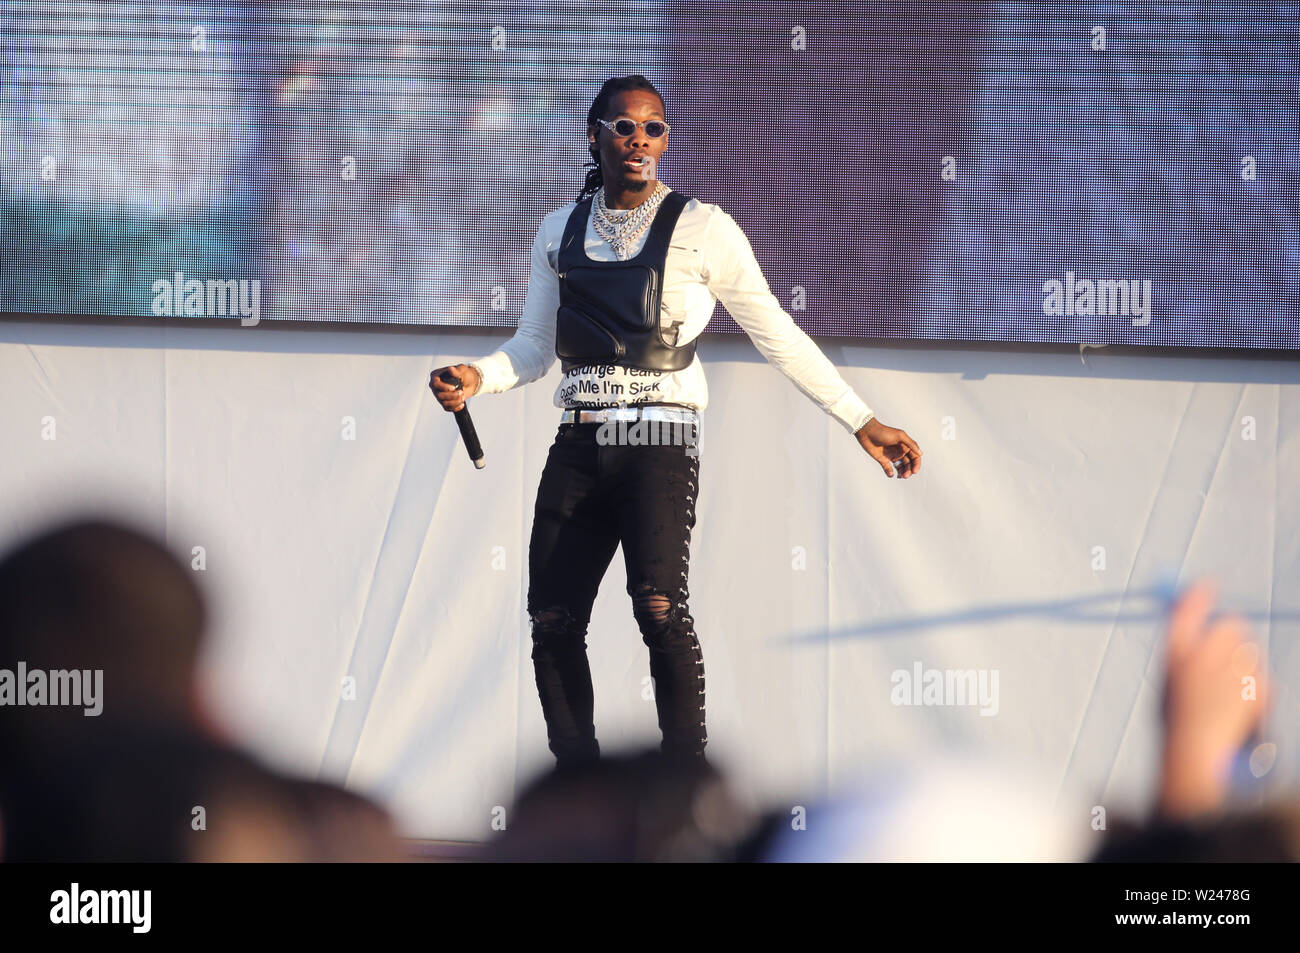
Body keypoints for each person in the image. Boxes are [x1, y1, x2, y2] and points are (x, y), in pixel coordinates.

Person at [431, 75, 922, 769]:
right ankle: (580, 786)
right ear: (593, 134)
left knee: (658, 604)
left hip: (658, 438)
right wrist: (477, 377)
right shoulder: (558, 230)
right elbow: (536, 346)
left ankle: (683, 783)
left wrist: (860, 418)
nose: (640, 140)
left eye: (654, 127)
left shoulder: (705, 229)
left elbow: (775, 331)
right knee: (552, 619)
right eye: (624, 126)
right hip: (581, 435)